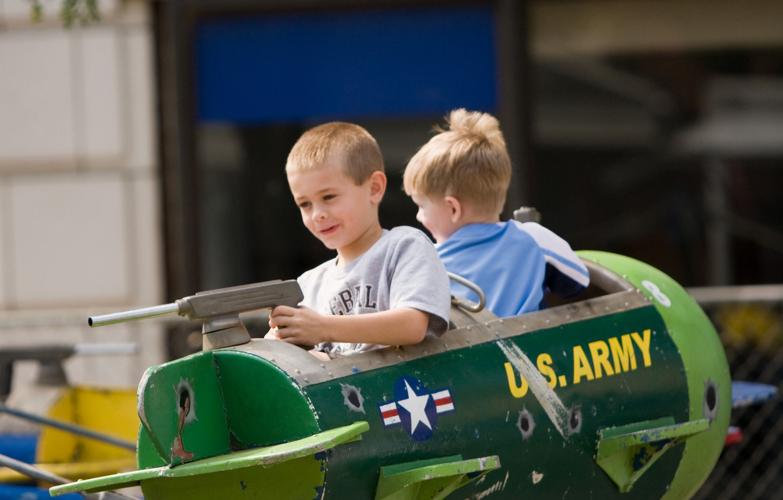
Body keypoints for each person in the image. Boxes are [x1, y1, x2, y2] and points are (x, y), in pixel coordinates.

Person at [266, 122, 450, 358]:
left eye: (329, 196)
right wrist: (279, 346)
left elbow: (413, 325)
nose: (317, 213)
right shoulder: (307, 286)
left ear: (374, 188)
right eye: (305, 204)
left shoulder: (405, 246)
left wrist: (321, 328)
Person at [403, 109, 589, 317]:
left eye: (421, 206)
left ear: (453, 208)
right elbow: (578, 282)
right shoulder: (535, 238)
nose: (419, 216)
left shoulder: (426, 264)